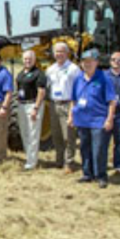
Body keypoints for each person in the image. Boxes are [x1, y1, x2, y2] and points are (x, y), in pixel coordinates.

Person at [68, 49, 116, 188]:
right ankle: (87, 173)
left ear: (97, 62)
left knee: (99, 149)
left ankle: (101, 175)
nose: (87, 64)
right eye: (84, 62)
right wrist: (71, 116)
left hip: (98, 120)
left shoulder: (104, 78)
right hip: (82, 120)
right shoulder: (78, 78)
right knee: (84, 148)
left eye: (90, 61)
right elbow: (74, 100)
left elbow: (112, 101)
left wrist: (109, 119)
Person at [45, 42, 80, 172]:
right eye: (57, 52)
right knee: (56, 134)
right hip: (54, 104)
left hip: (68, 103)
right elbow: (47, 87)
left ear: (67, 53)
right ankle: (59, 161)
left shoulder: (73, 69)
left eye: (62, 52)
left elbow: (78, 88)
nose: (59, 54)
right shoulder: (50, 69)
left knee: (68, 135)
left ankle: (69, 162)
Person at [14, 50, 47, 170]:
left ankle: (32, 162)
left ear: (34, 60)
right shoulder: (21, 73)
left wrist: (36, 108)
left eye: (30, 59)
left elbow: (41, 92)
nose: (27, 61)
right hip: (22, 105)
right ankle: (29, 157)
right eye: (25, 59)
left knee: (33, 133)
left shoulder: (39, 74)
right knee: (25, 132)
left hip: (33, 105)